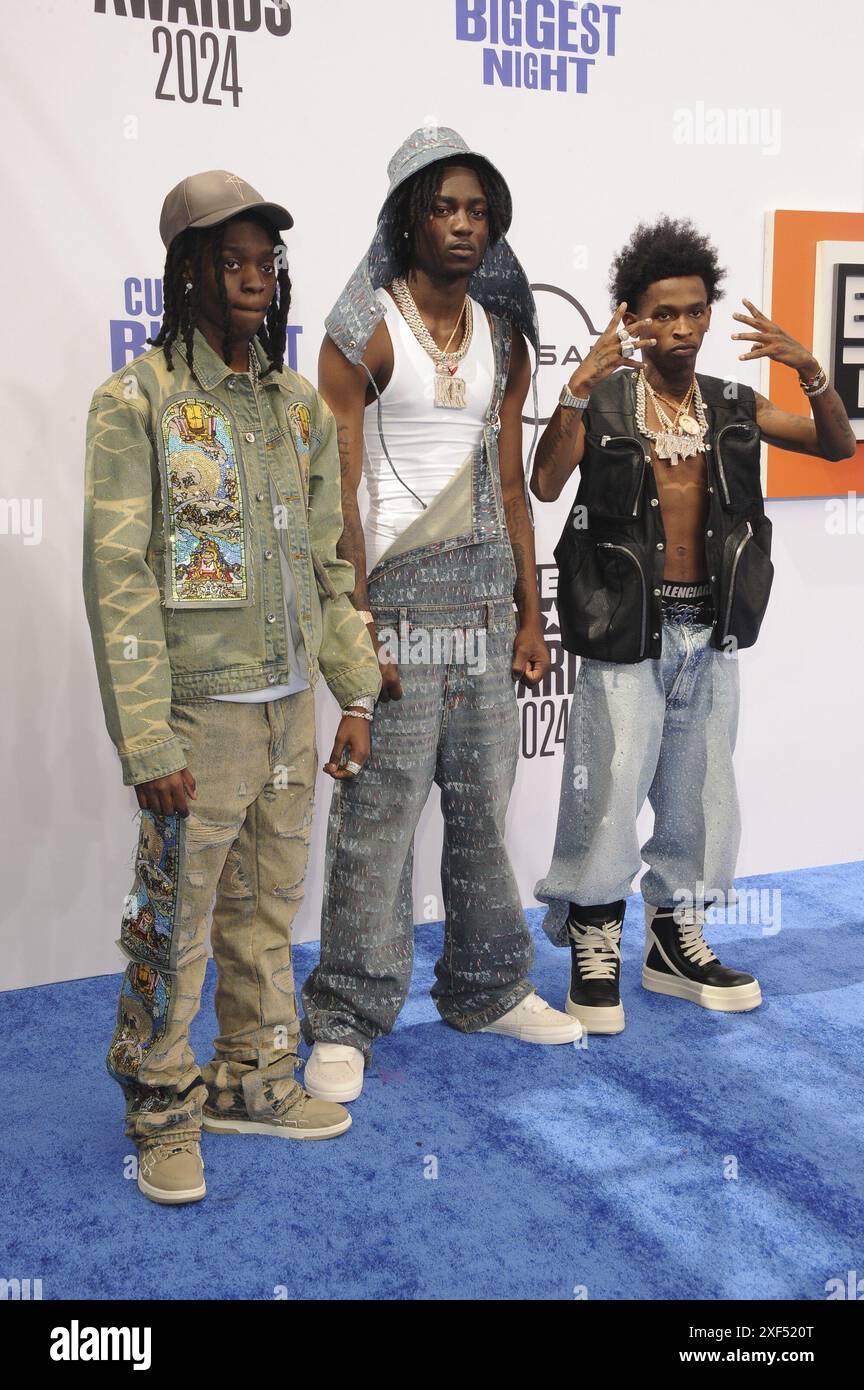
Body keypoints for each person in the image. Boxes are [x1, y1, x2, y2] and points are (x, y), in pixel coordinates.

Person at [83, 170, 381, 1204]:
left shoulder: (299, 409)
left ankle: (254, 1078)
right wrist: (148, 740)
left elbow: (330, 566)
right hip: (197, 714)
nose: (256, 278)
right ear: (188, 272)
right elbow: (119, 580)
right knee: (175, 919)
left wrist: (356, 692)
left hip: (291, 710)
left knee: (266, 910)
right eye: (233, 260)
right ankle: (163, 1103)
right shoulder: (139, 402)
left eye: (267, 261)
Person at [301, 126, 581, 1104]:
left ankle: (489, 986)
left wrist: (529, 614)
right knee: (375, 826)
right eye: (444, 208)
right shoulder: (364, 331)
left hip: (484, 609)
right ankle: (344, 1015)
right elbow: (337, 491)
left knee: (482, 816)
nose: (462, 225)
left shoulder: (501, 337)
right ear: (409, 220)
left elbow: (512, 483)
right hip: (398, 616)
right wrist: (357, 622)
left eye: (476, 210)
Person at [531, 217, 856, 1035]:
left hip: (710, 631)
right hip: (621, 631)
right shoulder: (603, 400)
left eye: (694, 312)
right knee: (607, 793)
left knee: (700, 796)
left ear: (709, 313)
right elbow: (542, 482)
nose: (680, 330)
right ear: (630, 318)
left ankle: (675, 942)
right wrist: (574, 390)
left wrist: (810, 368)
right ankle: (595, 942)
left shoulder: (732, 406)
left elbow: (836, 445)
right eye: (661, 315)